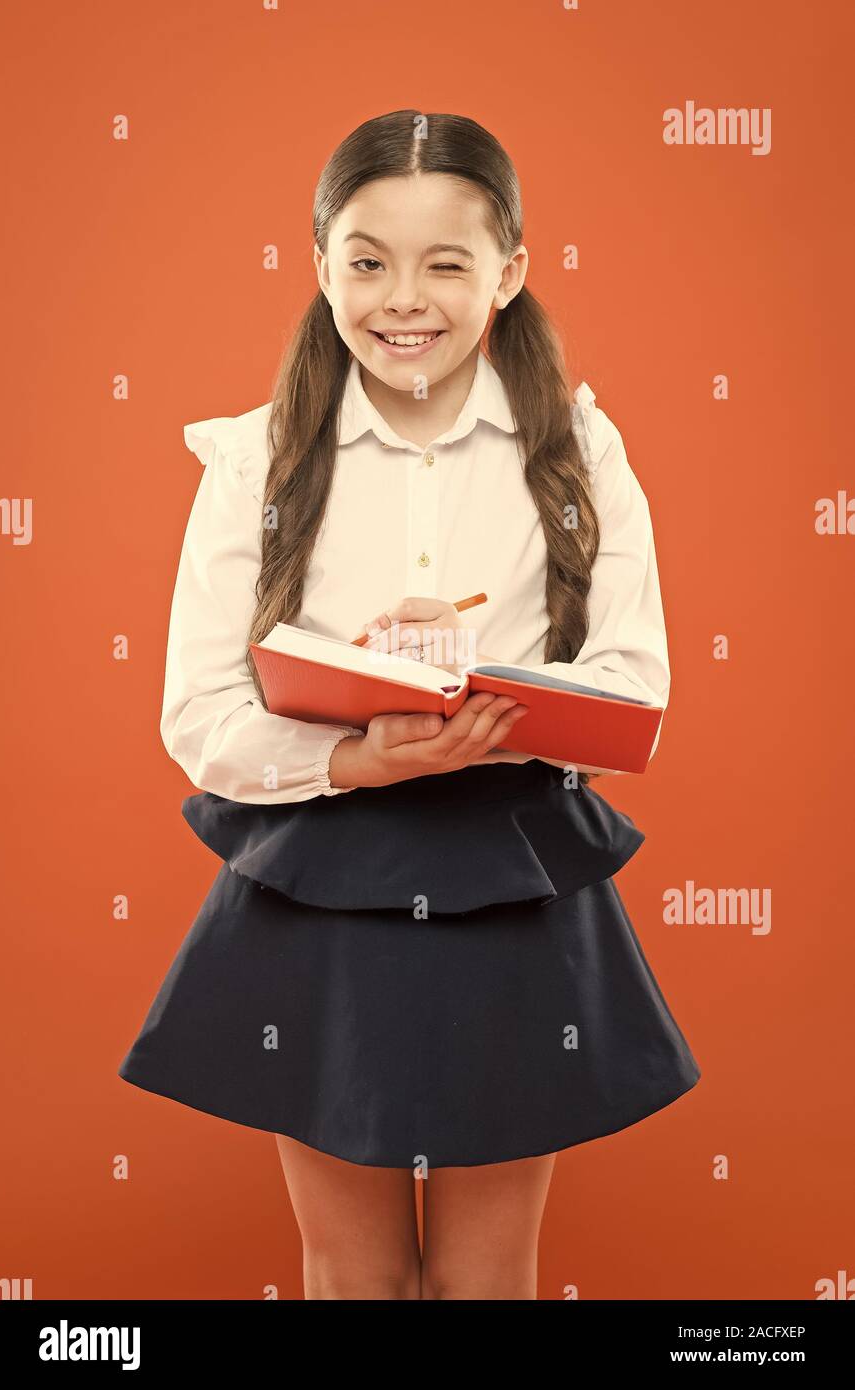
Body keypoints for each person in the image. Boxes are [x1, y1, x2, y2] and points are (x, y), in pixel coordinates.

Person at [118, 109, 701, 1301]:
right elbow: (199, 717)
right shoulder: (259, 459)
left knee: (489, 1276)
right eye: (367, 259)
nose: (405, 298)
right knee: (350, 1272)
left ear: (511, 271)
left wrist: (489, 686)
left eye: (447, 261)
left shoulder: (578, 452)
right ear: (319, 261)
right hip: (321, 881)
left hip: (510, 876)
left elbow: (632, 682)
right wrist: (353, 752)